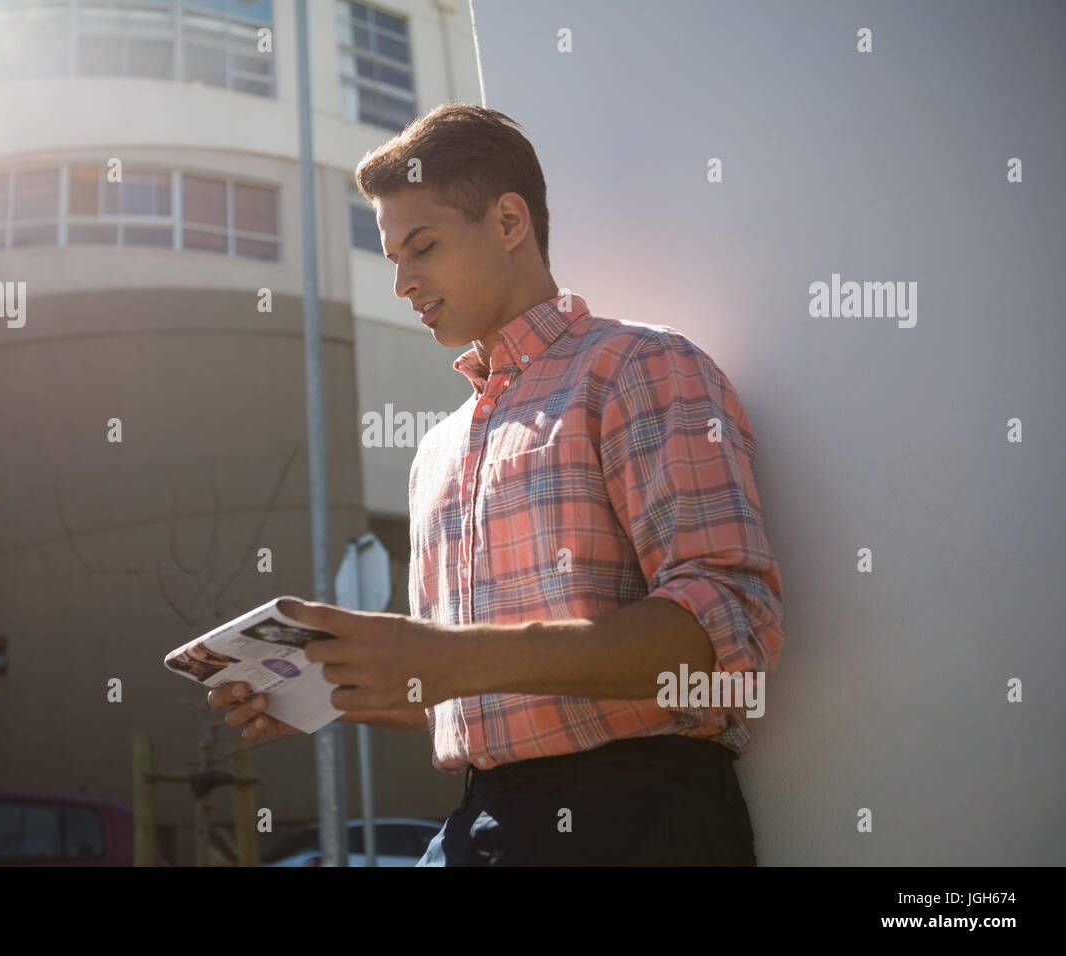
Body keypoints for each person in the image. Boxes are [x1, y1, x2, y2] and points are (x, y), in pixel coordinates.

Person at [207, 103, 784, 866]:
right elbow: (462, 686)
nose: (404, 283)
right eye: (393, 261)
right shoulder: (438, 451)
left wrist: (452, 659)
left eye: (423, 247)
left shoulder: (639, 368)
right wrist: (334, 686)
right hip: (478, 823)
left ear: (510, 221)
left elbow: (730, 628)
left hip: (637, 821)